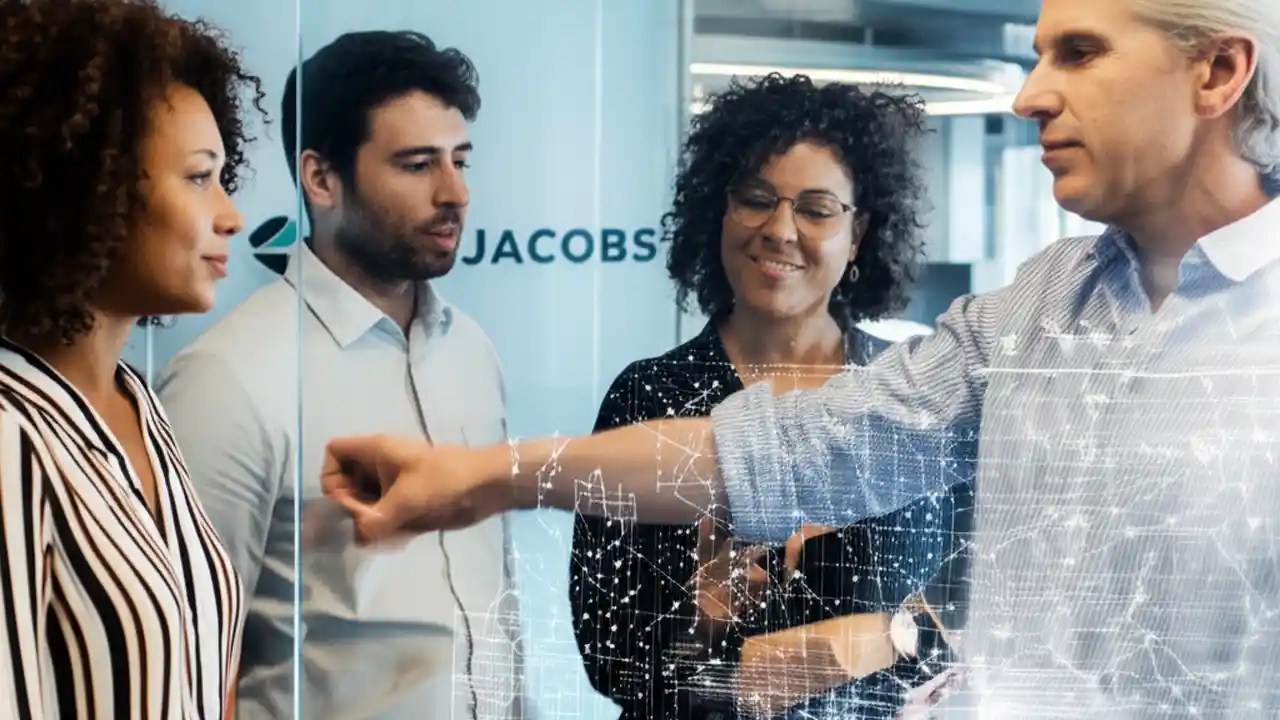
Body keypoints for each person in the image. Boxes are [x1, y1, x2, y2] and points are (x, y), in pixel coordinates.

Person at [323, 0, 1280, 716]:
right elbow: (796, 450)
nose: (1031, 94)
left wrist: (883, 643)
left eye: (1080, 52)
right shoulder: (1041, 305)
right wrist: (483, 479)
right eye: (1036, 54)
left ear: (1218, 72)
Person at [568, 73, 966, 719]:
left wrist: (889, 637)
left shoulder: (918, 393)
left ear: (858, 233)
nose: (780, 230)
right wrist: (702, 620)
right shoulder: (652, 396)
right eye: (756, 200)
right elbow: (611, 660)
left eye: (815, 209)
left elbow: (972, 618)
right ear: (718, 212)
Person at [154, 30, 524, 720]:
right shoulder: (226, 377)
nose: (455, 193)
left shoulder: (471, 349)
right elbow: (187, 657)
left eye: (460, 161)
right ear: (320, 178)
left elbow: (496, 601)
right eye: (418, 165)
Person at [0, 1, 262, 718]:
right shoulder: (10, 435)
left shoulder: (138, 404)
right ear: (86, 186)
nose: (232, 213)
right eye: (199, 177)